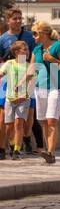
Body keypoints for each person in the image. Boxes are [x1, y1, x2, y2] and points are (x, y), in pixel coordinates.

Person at [0, 9, 38, 153]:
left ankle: (27, 139)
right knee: (5, 115)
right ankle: (7, 146)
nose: (18, 21)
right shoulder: (3, 38)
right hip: (8, 79)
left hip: (27, 76)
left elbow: (35, 55)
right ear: (8, 20)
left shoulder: (28, 36)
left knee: (28, 116)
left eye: (19, 18)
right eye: (14, 18)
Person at [32, 22, 60, 164]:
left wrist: (52, 60)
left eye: (35, 33)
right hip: (39, 88)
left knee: (51, 120)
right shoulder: (37, 49)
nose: (34, 37)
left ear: (43, 33)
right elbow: (32, 69)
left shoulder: (58, 46)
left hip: (56, 87)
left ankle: (50, 152)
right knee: (43, 122)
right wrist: (20, 84)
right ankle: (49, 152)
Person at [2, 41, 33, 159]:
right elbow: (1, 74)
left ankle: (17, 150)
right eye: (24, 49)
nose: (27, 51)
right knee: (9, 126)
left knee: (18, 124)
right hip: (10, 99)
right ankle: (11, 143)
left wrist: (24, 95)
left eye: (27, 49)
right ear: (16, 52)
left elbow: (32, 84)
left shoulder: (29, 66)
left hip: (23, 99)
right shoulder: (9, 63)